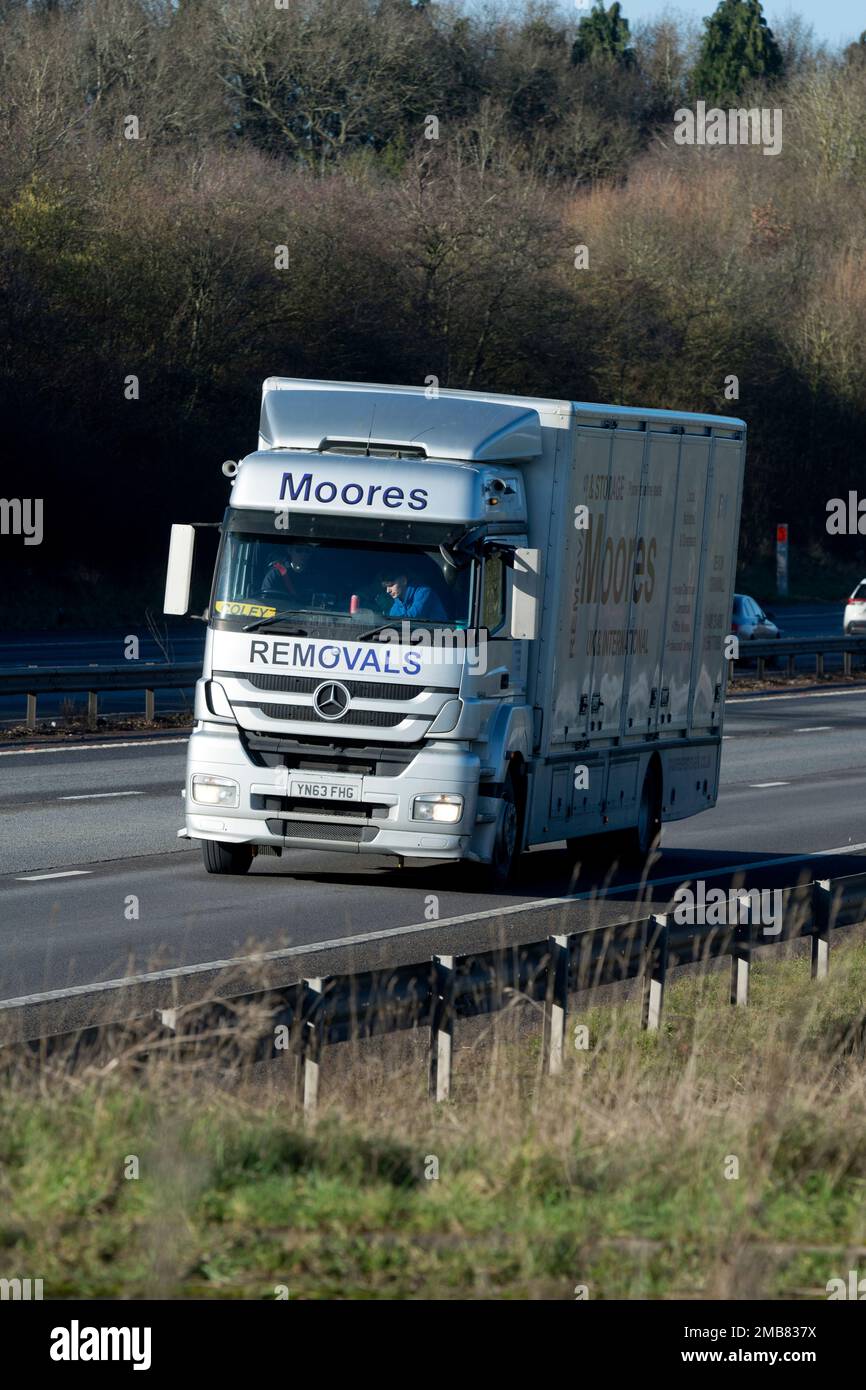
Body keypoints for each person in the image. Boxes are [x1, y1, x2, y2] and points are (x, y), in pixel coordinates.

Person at [379, 567, 448, 621]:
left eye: (391, 585)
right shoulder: (396, 606)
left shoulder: (424, 592)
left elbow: (413, 618)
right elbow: (392, 624)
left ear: (403, 581)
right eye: (386, 587)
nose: (388, 591)